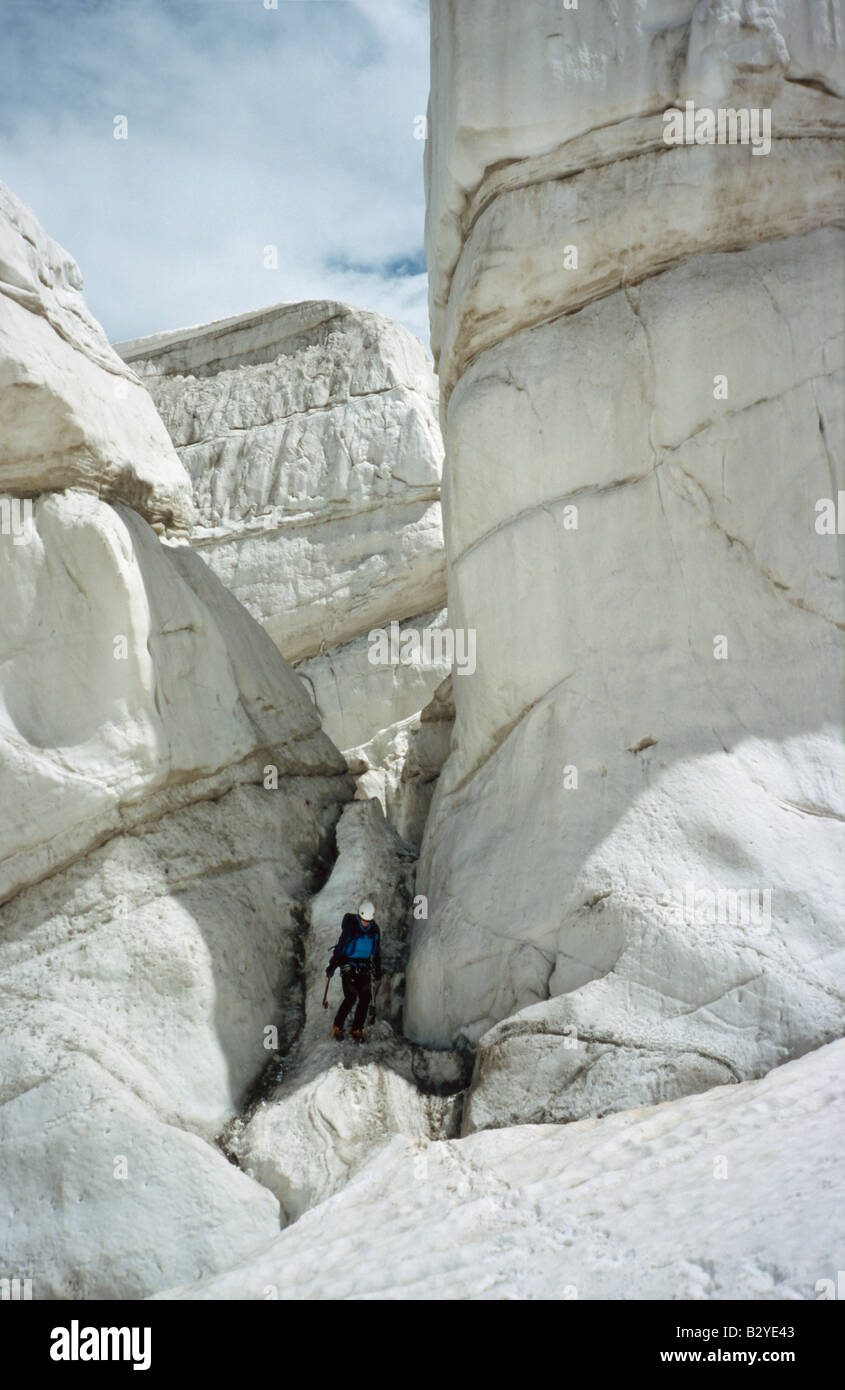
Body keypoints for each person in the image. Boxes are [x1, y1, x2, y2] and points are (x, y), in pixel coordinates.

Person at [325, 899, 382, 1042]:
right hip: (348, 964)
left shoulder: (375, 931)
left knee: (366, 997)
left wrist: (377, 967)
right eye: (364, 920)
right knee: (351, 997)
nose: (365, 923)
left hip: (363, 966)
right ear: (359, 916)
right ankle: (337, 1026)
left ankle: (357, 1029)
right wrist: (333, 963)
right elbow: (341, 946)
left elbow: (376, 952)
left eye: (368, 921)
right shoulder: (351, 927)